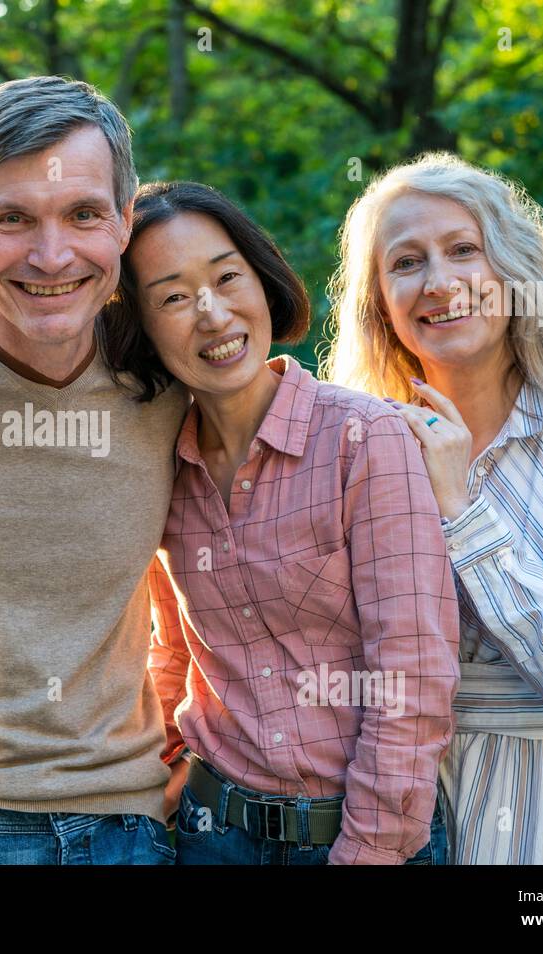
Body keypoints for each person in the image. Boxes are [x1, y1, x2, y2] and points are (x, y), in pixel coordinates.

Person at [100, 181, 461, 864]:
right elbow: (174, 649)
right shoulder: (160, 465)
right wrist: (166, 776)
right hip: (216, 836)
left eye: (227, 277)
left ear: (263, 283)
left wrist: (369, 850)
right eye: (174, 297)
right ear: (141, 326)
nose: (211, 314)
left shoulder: (365, 439)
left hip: (356, 838)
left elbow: (412, 673)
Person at [323, 152, 543, 864]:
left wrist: (458, 504)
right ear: (381, 303)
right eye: (406, 263)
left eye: (462, 250)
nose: (440, 283)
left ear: (510, 269)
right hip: (406, 801)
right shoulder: (365, 448)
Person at [0, 76, 190, 864]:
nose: (52, 254)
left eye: (84, 215)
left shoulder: (168, 375)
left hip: (132, 828)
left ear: (126, 223)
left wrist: (205, 742)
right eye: (14, 220)